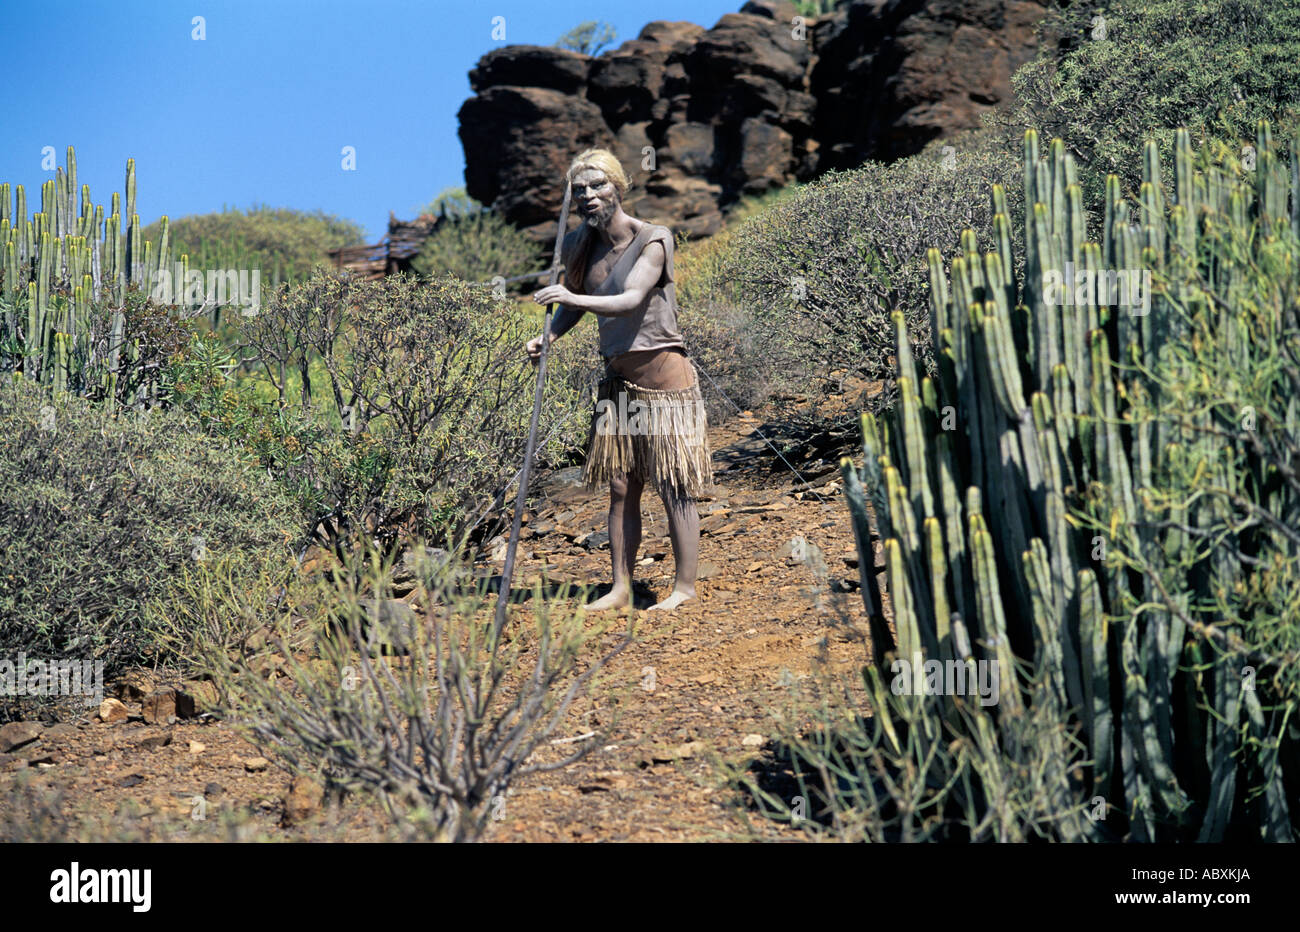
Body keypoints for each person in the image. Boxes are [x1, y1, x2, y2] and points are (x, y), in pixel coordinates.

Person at [528, 148, 713, 612]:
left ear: (619, 187)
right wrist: (548, 336)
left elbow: (631, 299)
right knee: (621, 485)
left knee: (674, 482)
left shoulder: (653, 238)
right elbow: (574, 305)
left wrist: (572, 296)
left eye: (599, 186)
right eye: (580, 190)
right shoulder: (578, 246)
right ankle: (621, 588)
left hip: (665, 377)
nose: (589, 196)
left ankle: (685, 589)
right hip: (618, 381)